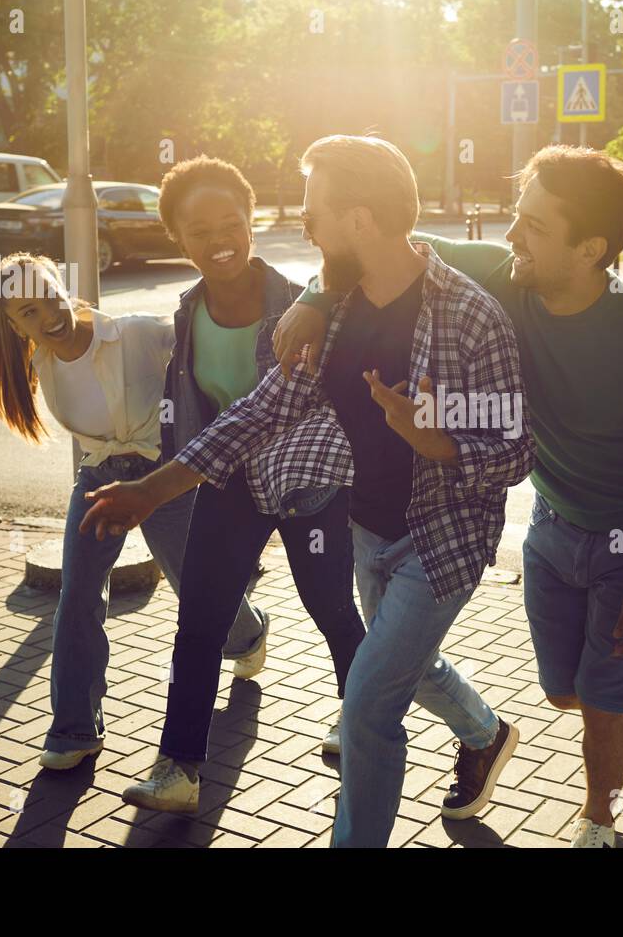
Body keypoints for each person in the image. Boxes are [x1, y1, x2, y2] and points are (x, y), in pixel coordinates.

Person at [79, 135, 533, 846]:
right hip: (369, 536)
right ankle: (485, 730)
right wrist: (152, 490)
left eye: (314, 211)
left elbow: (515, 452)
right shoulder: (339, 309)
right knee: (409, 671)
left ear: (358, 219)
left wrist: (435, 441)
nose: (305, 225)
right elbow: (264, 409)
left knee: (369, 705)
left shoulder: (471, 317)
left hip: (441, 544)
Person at [272, 145, 623, 848]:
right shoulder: (511, 276)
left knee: (597, 702)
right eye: (515, 218)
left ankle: (599, 817)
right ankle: (498, 729)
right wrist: (315, 296)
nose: (510, 238)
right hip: (553, 526)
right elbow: (384, 241)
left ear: (590, 248)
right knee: (562, 691)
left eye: (532, 226)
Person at [116, 156, 369, 813]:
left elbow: (278, 408)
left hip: (307, 484)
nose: (218, 237)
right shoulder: (186, 311)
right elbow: (191, 406)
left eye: (231, 220)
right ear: (177, 237)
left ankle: (361, 717)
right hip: (229, 482)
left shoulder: (301, 302)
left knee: (332, 609)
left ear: (251, 219)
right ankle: (178, 768)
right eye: (198, 228)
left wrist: (160, 486)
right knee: (199, 620)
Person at [0, 252, 263, 770]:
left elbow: (208, 356)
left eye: (49, 295)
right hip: (98, 479)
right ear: (12, 324)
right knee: (79, 595)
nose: (48, 316)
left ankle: (248, 633)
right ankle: (73, 730)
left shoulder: (134, 332)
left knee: (197, 591)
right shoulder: (36, 363)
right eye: (27, 312)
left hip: (161, 477)